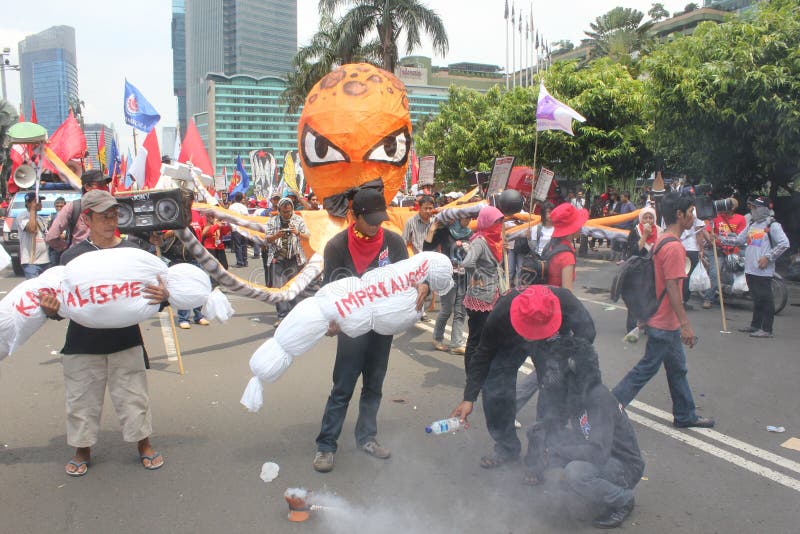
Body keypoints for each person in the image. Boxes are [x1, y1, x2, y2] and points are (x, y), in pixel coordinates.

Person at [38, 189, 168, 477]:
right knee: (81, 399)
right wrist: (51, 308)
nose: (111, 221)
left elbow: (154, 292)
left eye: (114, 215)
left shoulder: (134, 252)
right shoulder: (72, 256)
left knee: (134, 397)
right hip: (82, 343)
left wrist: (164, 296)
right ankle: (82, 449)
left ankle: (143, 444)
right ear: (87, 218)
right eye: (104, 216)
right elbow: (64, 304)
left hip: (126, 340)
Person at [313, 188, 428, 473]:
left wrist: (422, 285)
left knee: (374, 386)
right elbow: (330, 292)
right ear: (354, 216)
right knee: (342, 388)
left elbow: (409, 277)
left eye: (380, 219)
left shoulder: (394, 243)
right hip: (352, 330)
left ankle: (367, 437)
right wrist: (331, 320)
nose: (377, 225)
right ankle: (326, 445)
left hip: (382, 327)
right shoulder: (337, 247)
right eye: (371, 220)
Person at [449, 285, 595, 473]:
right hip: (511, 343)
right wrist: (469, 398)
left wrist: (565, 357)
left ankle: (539, 454)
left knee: (553, 394)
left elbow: (588, 334)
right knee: (494, 388)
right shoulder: (502, 313)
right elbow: (483, 354)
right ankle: (506, 447)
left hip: (551, 344)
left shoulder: (564, 300)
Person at [612, 191, 715, 429]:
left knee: (677, 368)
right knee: (646, 368)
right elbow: (672, 288)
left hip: (662, 320)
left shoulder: (663, 240)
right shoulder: (674, 248)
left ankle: (685, 415)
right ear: (679, 215)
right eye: (690, 212)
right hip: (664, 322)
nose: (692, 217)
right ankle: (611, 404)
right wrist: (685, 324)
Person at [540, 337, 643, 529]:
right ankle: (596, 489)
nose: (549, 375)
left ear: (572, 368)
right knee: (552, 442)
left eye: (555, 369)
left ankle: (623, 499)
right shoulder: (578, 392)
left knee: (576, 473)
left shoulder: (598, 398)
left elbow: (597, 452)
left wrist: (559, 451)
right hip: (607, 457)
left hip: (624, 466)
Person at [720, 196, 790, 338]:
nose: (752, 210)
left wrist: (768, 257)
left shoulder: (772, 225)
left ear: (764, 209)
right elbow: (739, 240)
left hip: (763, 270)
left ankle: (767, 329)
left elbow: (784, 243)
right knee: (757, 298)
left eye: (755, 208)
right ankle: (755, 325)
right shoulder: (752, 224)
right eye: (752, 208)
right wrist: (720, 239)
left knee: (766, 298)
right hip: (750, 268)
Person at [461, 206, 504, 376]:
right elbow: (467, 262)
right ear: (486, 222)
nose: (499, 226)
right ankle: (471, 375)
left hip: (492, 295)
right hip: (479, 297)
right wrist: (478, 275)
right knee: (475, 339)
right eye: (496, 222)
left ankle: (481, 371)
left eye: (500, 222)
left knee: (487, 338)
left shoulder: (495, 240)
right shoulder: (480, 241)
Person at [423, 215, 472, 354]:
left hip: (464, 276)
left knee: (461, 311)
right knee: (447, 309)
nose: (468, 220)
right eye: (466, 217)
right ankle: (437, 339)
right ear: (457, 218)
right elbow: (427, 249)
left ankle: (456, 344)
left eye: (470, 218)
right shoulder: (445, 232)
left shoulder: (470, 233)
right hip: (448, 276)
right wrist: (432, 230)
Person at [264, 197, 310, 327]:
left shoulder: (298, 220)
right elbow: (266, 240)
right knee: (279, 288)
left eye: (289, 211)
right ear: (279, 210)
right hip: (277, 258)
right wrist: (276, 236)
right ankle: (282, 316)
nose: (287, 214)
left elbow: (308, 236)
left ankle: (293, 316)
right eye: (284, 212)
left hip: (294, 259)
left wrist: (297, 233)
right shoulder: (272, 221)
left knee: (293, 287)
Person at [46, 170, 111, 253]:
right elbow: (51, 236)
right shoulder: (73, 207)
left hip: (106, 258)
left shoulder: (111, 207)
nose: (105, 188)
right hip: (80, 259)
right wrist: (68, 250)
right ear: (87, 187)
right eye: (101, 185)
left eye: (106, 185)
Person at [702, 199, 746, 309]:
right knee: (714, 273)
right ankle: (708, 298)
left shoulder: (740, 219)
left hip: (733, 250)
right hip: (718, 249)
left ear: (732, 208)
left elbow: (742, 236)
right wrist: (711, 237)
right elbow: (708, 230)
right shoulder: (716, 217)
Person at [623, 206, 658, 333]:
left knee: (650, 299)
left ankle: (649, 326)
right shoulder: (636, 231)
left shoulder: (659, 231)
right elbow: (634, 251)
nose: (648, 220)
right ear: (640, 219)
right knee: (635, 298)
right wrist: (645, 235)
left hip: (653, 270)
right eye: (645, 217)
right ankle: (632, 327)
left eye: (651, 217)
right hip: (637, 270)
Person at [545, 203, 586, 291]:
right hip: (557, 302)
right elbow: (567, 292)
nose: (581, 227)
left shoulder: (550, 246)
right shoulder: (567, 256)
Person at [680, 202, 708, 310]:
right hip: (692, 249)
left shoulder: (679, 210)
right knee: (688, 276)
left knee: (680, 275)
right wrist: (701, 250)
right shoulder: (696, 212)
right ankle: (683, 300)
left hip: (680, 246)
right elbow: (699, 233)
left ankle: (679, 299)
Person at [17, 192, 50, 278]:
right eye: (36, 201)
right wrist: (32, 210)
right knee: (34, 289)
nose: (39, 204)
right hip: (31, 262)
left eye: (40, 201)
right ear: (28, 204)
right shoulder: (22, 216)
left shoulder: (41, 218)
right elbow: (32, 229)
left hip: (44, 260)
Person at [228, 192, 250, 267]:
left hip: (236, 228)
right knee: (244, 245)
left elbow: (229, 218)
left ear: (235, 198)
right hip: (244, 228)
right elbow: (247, 218)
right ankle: (245, 261)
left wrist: (231, 226)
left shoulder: (231, 207)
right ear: (241, 198)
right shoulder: (244, 207)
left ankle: (240, 262)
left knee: (238, 245)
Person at [47, 196, 67, 266]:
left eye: (61, 206)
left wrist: (65, 235)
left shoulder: (69, 216)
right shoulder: (52, 216)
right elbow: (48, 229)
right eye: (57, 206)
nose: (59, 208)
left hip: (66, 246)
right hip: (54, 247)